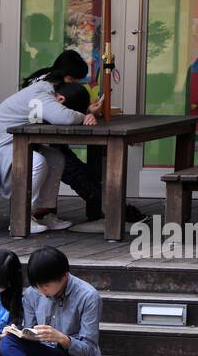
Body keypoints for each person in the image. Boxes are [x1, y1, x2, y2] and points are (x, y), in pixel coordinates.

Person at [18, 50, 141, 227]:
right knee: (72, 169)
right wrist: (86, 113)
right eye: (73, 79)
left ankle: (103, 208)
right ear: (65, 74)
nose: (74, 84)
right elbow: (57, 114)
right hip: (34, 139)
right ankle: (114, 209)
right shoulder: (49, 85)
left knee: (75, 167)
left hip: (44, 136)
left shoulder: (44, 76)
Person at [0, 74, 96, 233]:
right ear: (61, 99)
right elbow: (64, 117)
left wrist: (86, 114)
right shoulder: (42, 94)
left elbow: (66, 116)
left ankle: (44, 214)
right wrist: (85, 116)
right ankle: (20, 217)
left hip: (12, 142)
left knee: (56, 158)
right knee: (36, 162)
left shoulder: (46, 91)